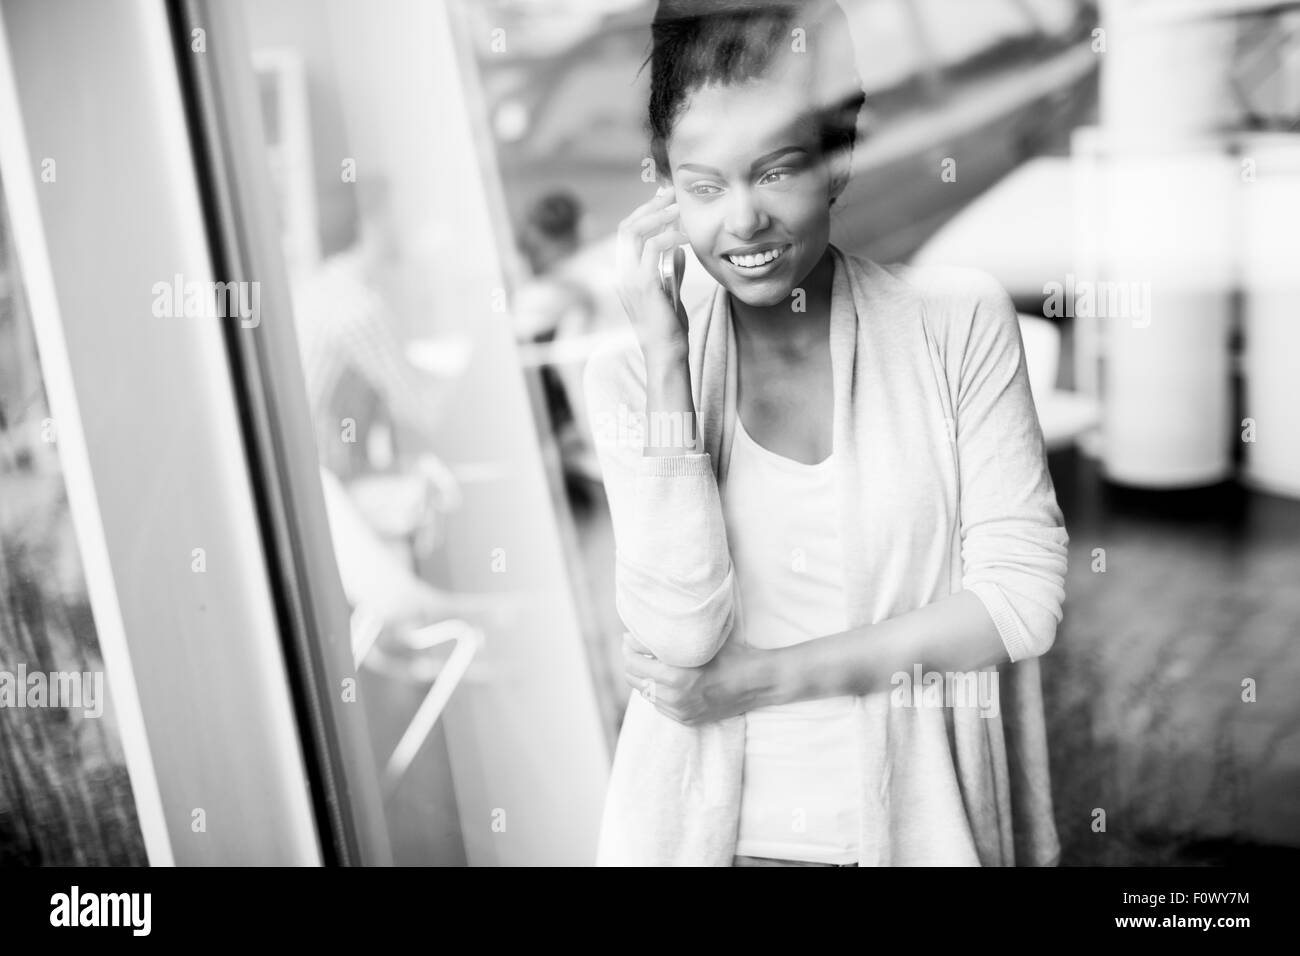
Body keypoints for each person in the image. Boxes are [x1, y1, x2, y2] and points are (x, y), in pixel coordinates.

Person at [584, 0, 1070, 866]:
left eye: (776, 172)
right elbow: (681, 637)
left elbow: (1020, 602)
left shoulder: (954, 321)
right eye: (703, 185)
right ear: (662, 185)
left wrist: (756, 681)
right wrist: (666, 361)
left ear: (840, 159)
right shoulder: (630, 374)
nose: (741, 222)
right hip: (717, 840)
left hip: (920, 834)